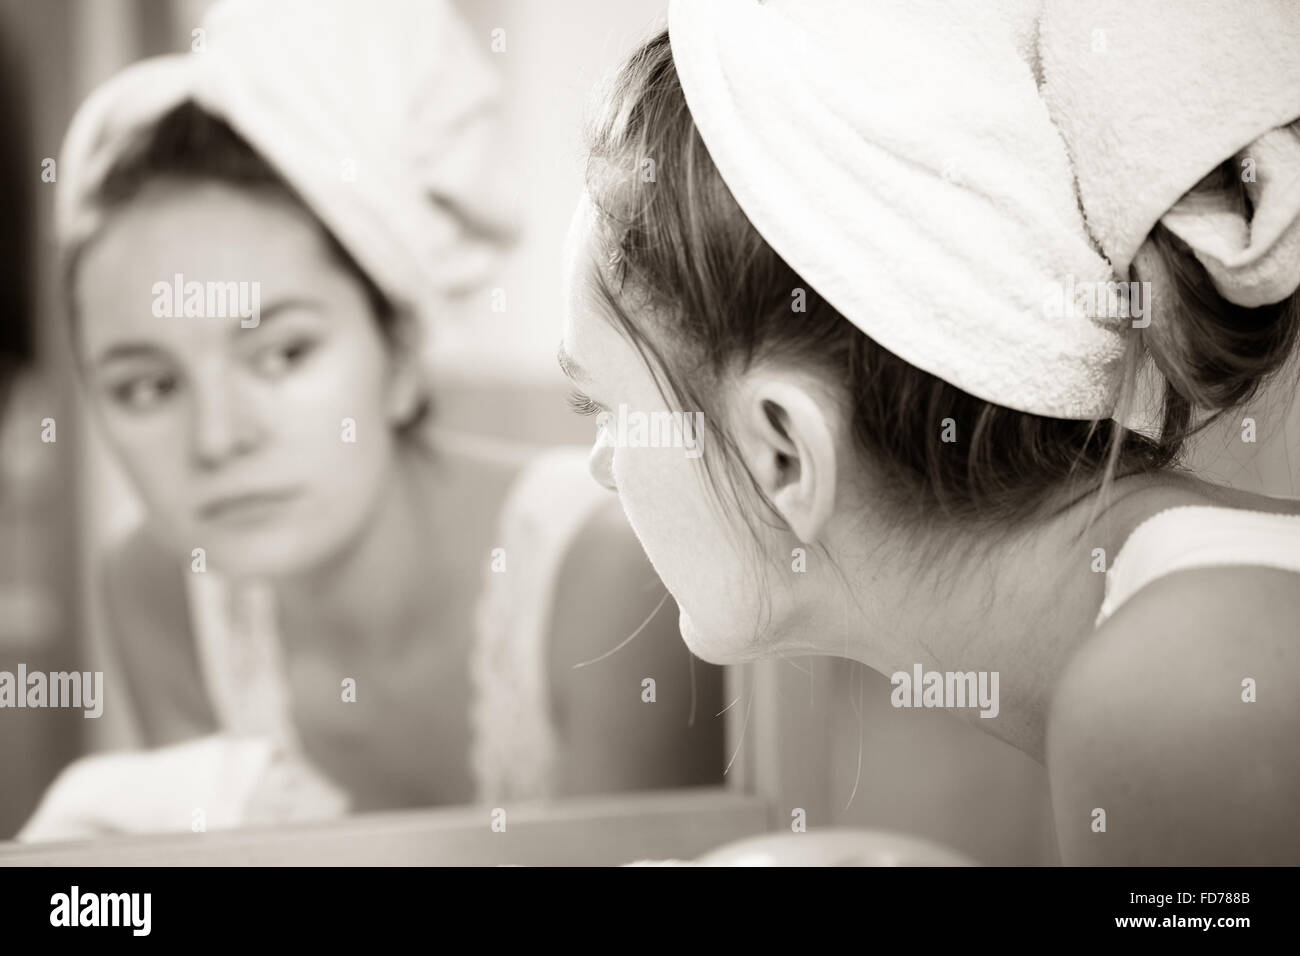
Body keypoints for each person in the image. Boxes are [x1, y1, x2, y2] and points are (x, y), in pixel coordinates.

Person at [560, 0, 1300, 864]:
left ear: (786, 453)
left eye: (610, 414)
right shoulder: (1178, 634)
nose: (602, 469)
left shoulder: (1178, 693)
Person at [21, 0, 721, 840]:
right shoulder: (154, 588)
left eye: (282, 355)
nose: (218, 439)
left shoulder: (614, 573)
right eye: (146, 387)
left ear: (398, 353)